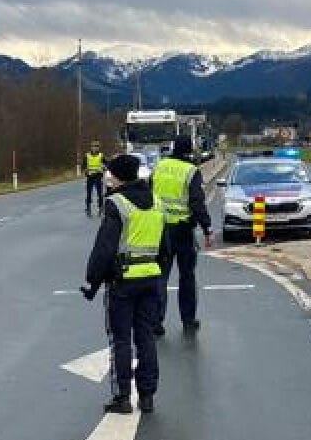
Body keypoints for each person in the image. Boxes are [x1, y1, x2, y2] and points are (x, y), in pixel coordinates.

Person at [83, 153, 171, 414]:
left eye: (111, 174)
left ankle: (122, 397)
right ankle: (147, 396)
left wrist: (93, 280)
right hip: (151, 278)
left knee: (120, 339)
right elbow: (165, 248)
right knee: (146, 337)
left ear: (119, 176)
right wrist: (158, 273)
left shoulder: (116, 204)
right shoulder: (157, 203)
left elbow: (104, 248)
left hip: (122, 281)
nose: (108, 178)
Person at [150, 134, 214, 334]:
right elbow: (196, 202)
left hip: (160, 229)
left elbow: (149, 194)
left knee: (160, 276)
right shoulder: (190, 171)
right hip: (183, 230)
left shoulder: (159, 166)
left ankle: (156, 321)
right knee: (186, 276)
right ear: (189, 151)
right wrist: (207, 227)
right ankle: (188, 320)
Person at [82, 140, 107, 217]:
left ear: (99, 147)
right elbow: (83, 166)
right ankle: (88, 208)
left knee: (100, 193)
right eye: (93, 146)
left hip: (98, 176)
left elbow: (106, 165)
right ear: (91, 147)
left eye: (97, 146)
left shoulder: (101, 155)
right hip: (90, 177)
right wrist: (86, 171)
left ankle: (101, 208)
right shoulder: (87, 156)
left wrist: (103, 168)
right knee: (89, 193)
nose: (95, 148)